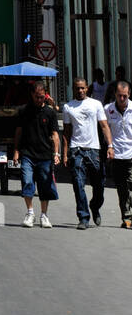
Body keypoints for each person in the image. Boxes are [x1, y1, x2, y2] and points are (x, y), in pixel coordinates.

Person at [62, 75, 113, 229]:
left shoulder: (96, 104)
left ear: (87, 88)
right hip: (76, 150)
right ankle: (83, 217)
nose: (80, 90)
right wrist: (64, 153)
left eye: (83, 88)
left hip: (94, 150)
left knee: (99, 185)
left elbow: (104, 126)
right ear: (74, 89)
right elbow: (66, 133)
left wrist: (110, 146)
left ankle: (95, 206)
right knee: (78, 184)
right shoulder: (68, 107)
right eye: (77, 88)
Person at [12, 80, 60, 228]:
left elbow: (55, 135)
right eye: (37, 97)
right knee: (27, 181)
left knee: (45, 186)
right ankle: (30, 212)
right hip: (28, 154)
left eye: (42, 97)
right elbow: (19, 131)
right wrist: (16, 151)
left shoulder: (50, 113)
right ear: (32, 95)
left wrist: (56, 153)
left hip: (45, 155)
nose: (40, 100)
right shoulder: (24, 111)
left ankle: (44, 215)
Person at [105, 81, 132, 228]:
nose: (122, 99)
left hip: (131, 154)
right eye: (119, 96)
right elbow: (105, 129)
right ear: (115, 94)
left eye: (125, 96)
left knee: (130, 184)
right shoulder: (108, 110)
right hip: (117, 155)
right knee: (122, 189)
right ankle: (127, 218)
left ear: (129, 95)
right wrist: (109, 147)